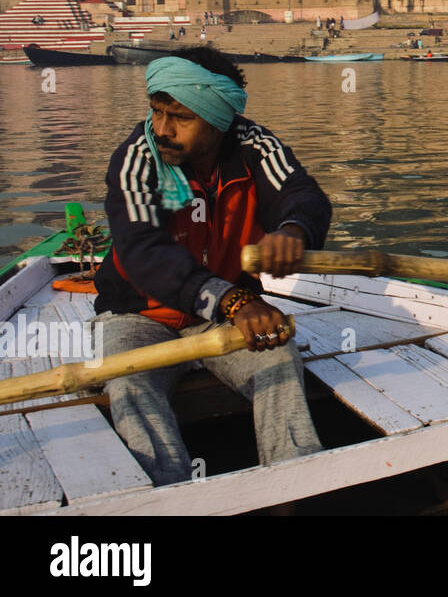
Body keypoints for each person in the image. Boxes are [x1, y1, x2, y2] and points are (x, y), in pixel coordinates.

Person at [93, 46, 329, 486]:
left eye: (179, 117)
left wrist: (294, 230)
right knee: (130, 387)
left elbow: (302, 194)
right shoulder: (136, 158)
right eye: (157, 111)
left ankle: (293, 492)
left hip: (221, 316)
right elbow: (143, 250)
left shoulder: (255, 145)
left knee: (279, 361)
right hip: (139, 313)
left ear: (218, 119)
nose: (161, 129)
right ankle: (168, 498)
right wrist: (233, 300)